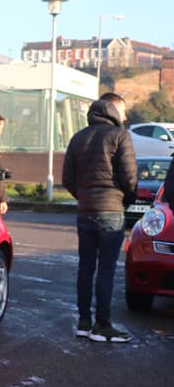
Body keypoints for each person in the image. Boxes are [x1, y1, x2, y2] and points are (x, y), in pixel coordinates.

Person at [62, 92, 137, 342]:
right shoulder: (119, 135)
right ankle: (102, 325)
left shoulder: (77, 137)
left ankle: (83, 323)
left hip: (85, 211)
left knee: (85, 267)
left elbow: (67, 179)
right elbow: (130, 177)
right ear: (114, 112)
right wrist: (125, 199)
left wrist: (84, 196)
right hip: (111, 211)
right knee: (106, 270)